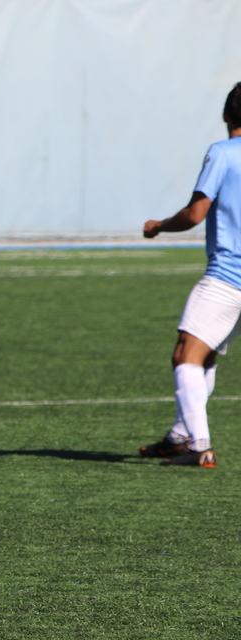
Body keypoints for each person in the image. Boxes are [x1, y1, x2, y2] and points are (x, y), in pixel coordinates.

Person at [140, 82, 241, 467]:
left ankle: (199, 445)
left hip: (230, 275)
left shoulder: (223, 153)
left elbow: (195, 214)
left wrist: (159, 226)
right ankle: (180, 436)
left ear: (226, 115)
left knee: (187, 354)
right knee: (207, 355)